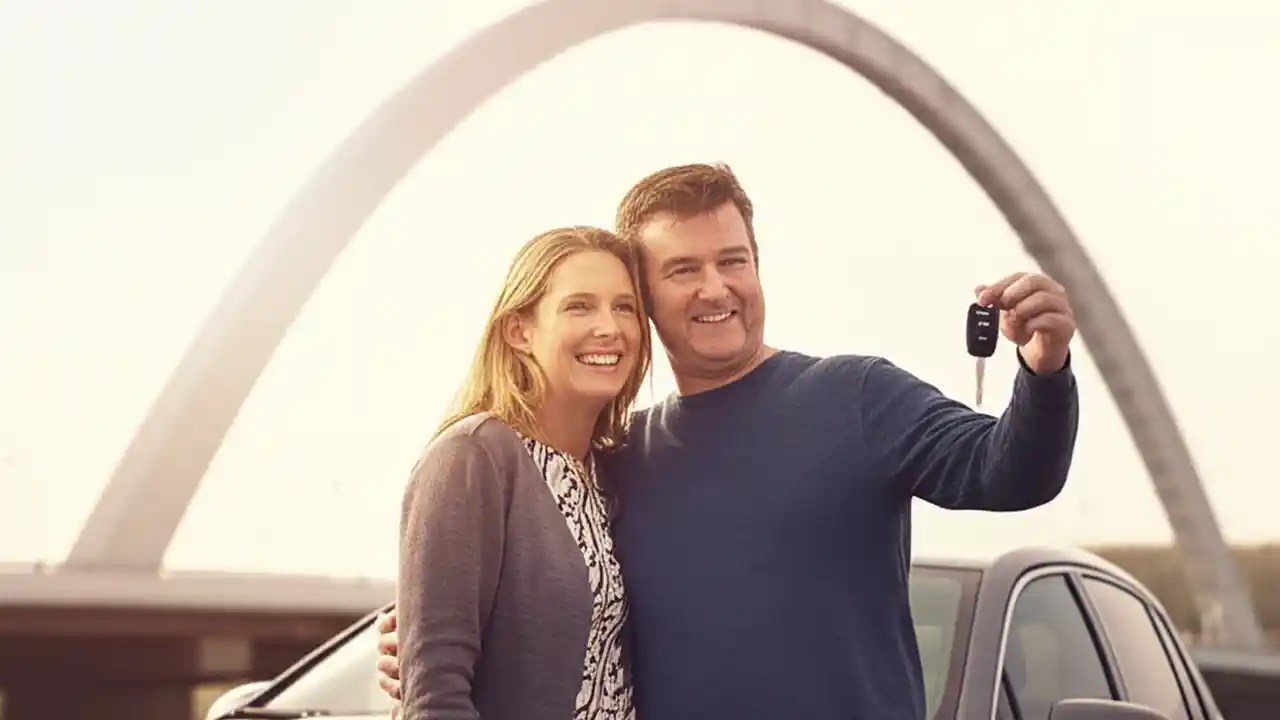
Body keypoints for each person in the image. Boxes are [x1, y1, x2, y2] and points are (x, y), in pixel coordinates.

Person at [377, 163, 1080, 719]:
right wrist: (430, 645)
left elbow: (1008, 473)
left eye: (733, 260)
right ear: (648, 297)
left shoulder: (857, 396)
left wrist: (1043, 369)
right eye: (682, 269)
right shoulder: (620, 461)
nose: (716, 287)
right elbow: (563, 619)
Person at [393, 225, 651, 720]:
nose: (610, 327)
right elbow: (435, 692)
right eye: (579, 306)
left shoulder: (614, 472)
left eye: (625, 307)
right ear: (519, 331)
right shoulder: (472, 457)